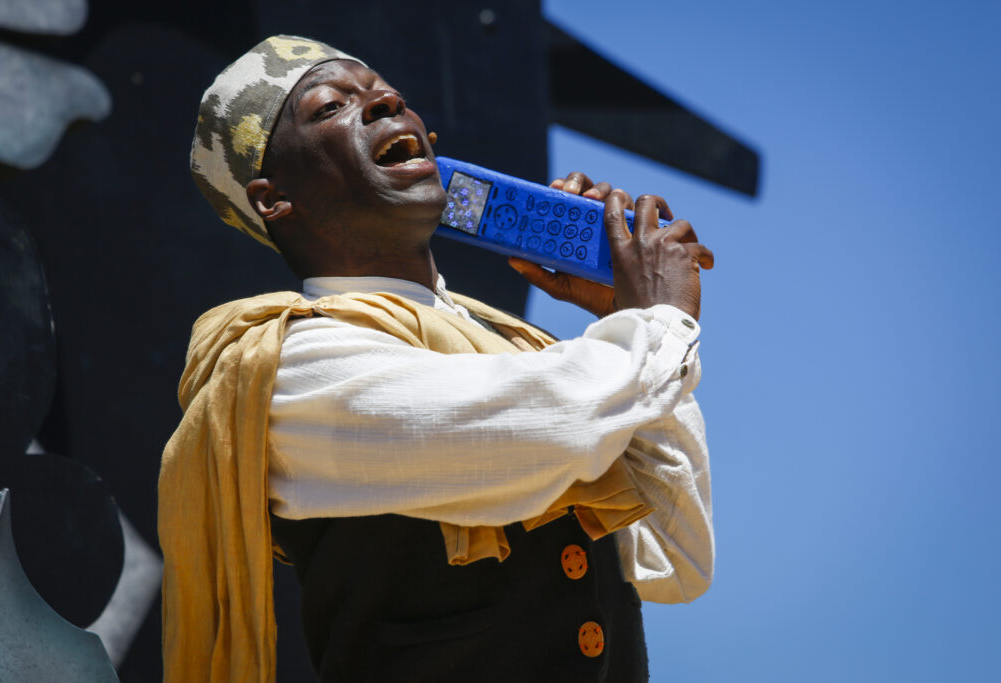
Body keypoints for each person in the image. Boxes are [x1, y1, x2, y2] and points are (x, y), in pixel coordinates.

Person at [160, 35, 715, 683]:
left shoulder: (524, 350)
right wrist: (657, 324)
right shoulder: (284, 361)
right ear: (272, 197)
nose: (384, 104)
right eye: (331, 107)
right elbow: (552, 429)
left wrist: (624, 315)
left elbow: (676, 559)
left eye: (389, 96)